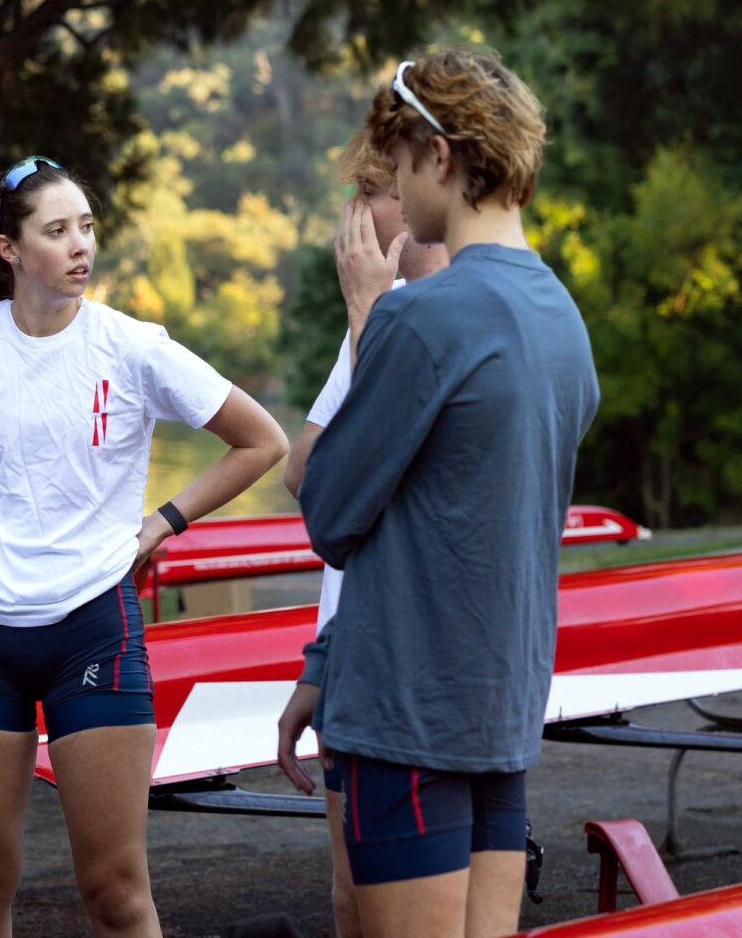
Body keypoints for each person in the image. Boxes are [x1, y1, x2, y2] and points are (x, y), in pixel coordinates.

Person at [0, 156, 289, 938]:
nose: (80, 246)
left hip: (93, 628)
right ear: (9, 249)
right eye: (57, 230)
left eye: (87, 227)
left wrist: (164, 520)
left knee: (115, 892)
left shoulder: (133, 347)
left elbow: (260, 441)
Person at [275, 47, 601, 938]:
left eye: (400, 163)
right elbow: (451, 523)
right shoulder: (563, 320)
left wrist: (366, 321)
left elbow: (331, 514)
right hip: (497, 711)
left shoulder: (420, 317)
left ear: (441, 158)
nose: (394, 192)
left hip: (404, 720)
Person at [281, 133, 449, 938]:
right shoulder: (381, 322)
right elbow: (298, 471)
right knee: (350, 904)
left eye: (374, 191)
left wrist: (365, 320)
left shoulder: (419, 324)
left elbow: (344, 494)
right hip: (348, 655)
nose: (356, 213)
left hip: (409, 679)